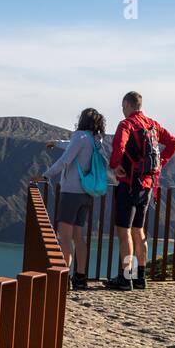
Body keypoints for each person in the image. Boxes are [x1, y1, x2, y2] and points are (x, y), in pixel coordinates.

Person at [105, 91, 175, 290]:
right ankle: (140, 278)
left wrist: (114, 165)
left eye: (123, 106)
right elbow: (174, 143)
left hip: (129, 184)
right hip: (148, 186)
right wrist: (161, 162)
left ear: (127, 104)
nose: (122, 110)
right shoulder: (153, 124)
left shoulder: (127, 124)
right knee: (139, 230)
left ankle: (125, 278)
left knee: (124, 231)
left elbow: (119, 147)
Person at [45, 107, 107, 290]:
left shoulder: (80, 137)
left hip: (71, 192)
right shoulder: (95, 139)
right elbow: (73, 144)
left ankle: (63, 278)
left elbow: (66, 159)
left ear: (82, 120)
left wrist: (45, 175)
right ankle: (80, 277)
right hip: (86, 194)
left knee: (64, 237)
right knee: (78, 237)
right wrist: (56, 142)